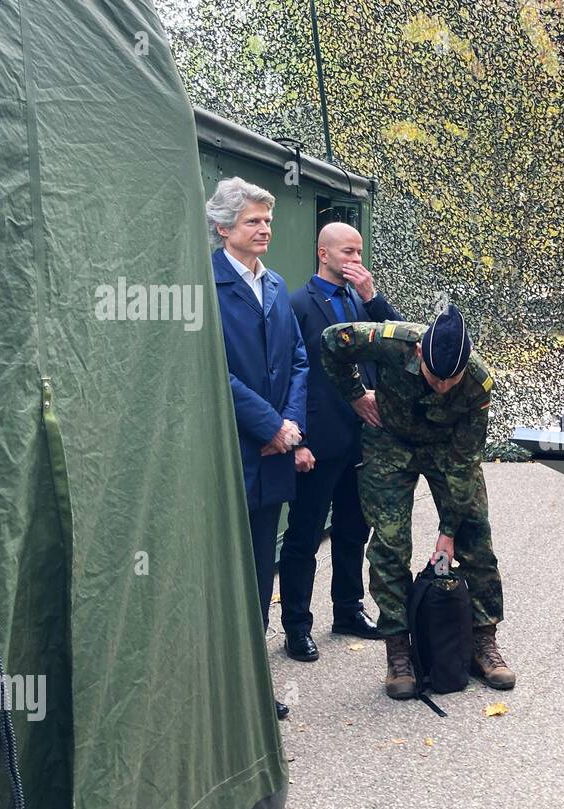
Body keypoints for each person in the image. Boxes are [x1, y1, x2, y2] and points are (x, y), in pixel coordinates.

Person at [320, 304, 514, 699]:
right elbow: (331, 341)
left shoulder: (478, 384)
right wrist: (355, 395)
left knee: (475, 536)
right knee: (390, 543)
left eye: (451, 380)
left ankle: (482, 642)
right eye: (434, 377)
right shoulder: (393, 341)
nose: (443, 387)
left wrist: (448, 533)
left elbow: (465, 463)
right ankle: (398, 650)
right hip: (390, 441)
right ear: (421, 354)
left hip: (446, 449)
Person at [207, 176, 308, 721]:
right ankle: (221, 695)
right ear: (224, 228)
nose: (265, 228)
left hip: (273, 460)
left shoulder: (275, 286)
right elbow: (211, 371)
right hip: (230, 457)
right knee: (227, 576)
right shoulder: (204, 283)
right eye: (253, 221)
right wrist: (269, 425)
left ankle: (250, 693)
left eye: (268, 220)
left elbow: (296, 362)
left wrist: (290, 424)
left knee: (258, 575)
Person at [277, 223, 401, 660]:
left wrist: (371, 295)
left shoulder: (357, 299)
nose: (355, 259)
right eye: (347, 251)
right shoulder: (296, 304)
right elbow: (292, 375)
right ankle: (296, 626)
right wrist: (298, 441)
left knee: (353, 530)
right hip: (318, 439)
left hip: (363, 439)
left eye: (360, 252)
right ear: (322, 253)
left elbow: (398, 342)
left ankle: (348, 610)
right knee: (304, 536)